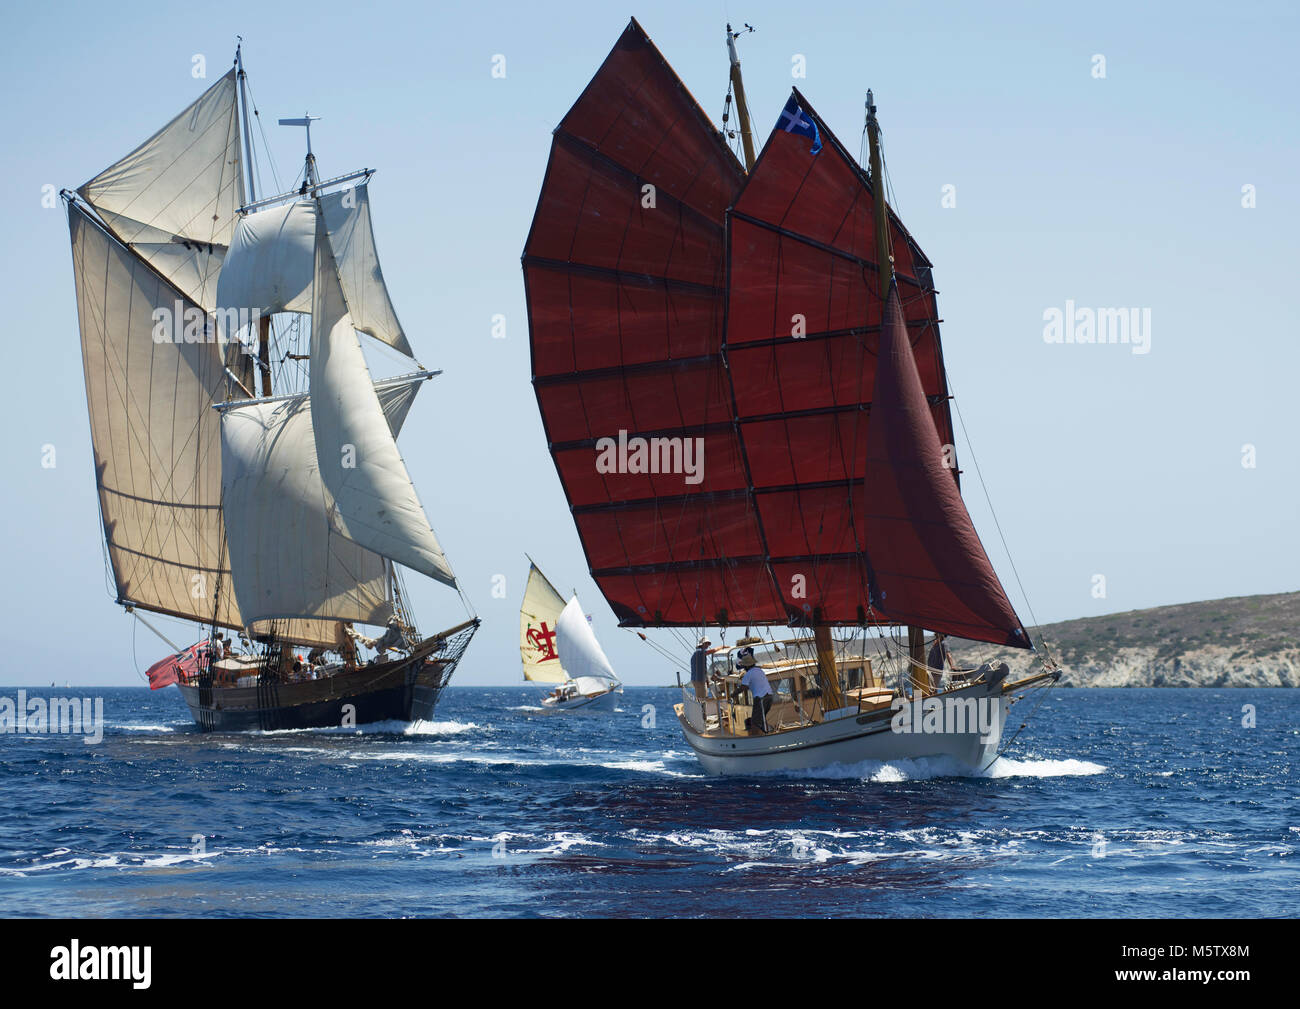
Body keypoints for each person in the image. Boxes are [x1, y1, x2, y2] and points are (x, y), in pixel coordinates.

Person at [737, 647, 773, 734]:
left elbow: (743, 688)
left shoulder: (748, 674)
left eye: (744, 666)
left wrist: (733, 694)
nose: (744, 668)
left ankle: (756, 739)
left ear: (747, 665)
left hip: (760, 698)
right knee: (761, 718)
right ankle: (768, 733)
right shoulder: (760, 671)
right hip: (770, 697)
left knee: (754, 722)